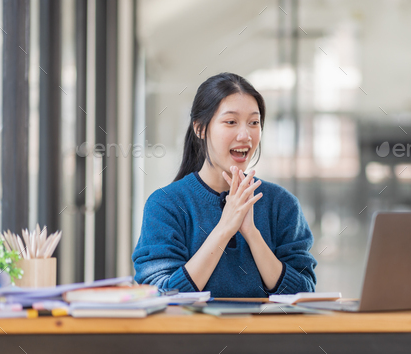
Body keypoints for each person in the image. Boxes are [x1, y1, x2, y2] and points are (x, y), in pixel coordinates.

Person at [132, 72, 317, 297]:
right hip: (194, 333)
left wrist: (251, 233)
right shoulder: (165, 205)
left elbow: (303, 292)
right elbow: (159, 293)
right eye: (231, 122)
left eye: (254, 123)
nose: (245, 134)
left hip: (264, 332)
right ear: (200, 128)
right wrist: (224, 229)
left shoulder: (282, 204)